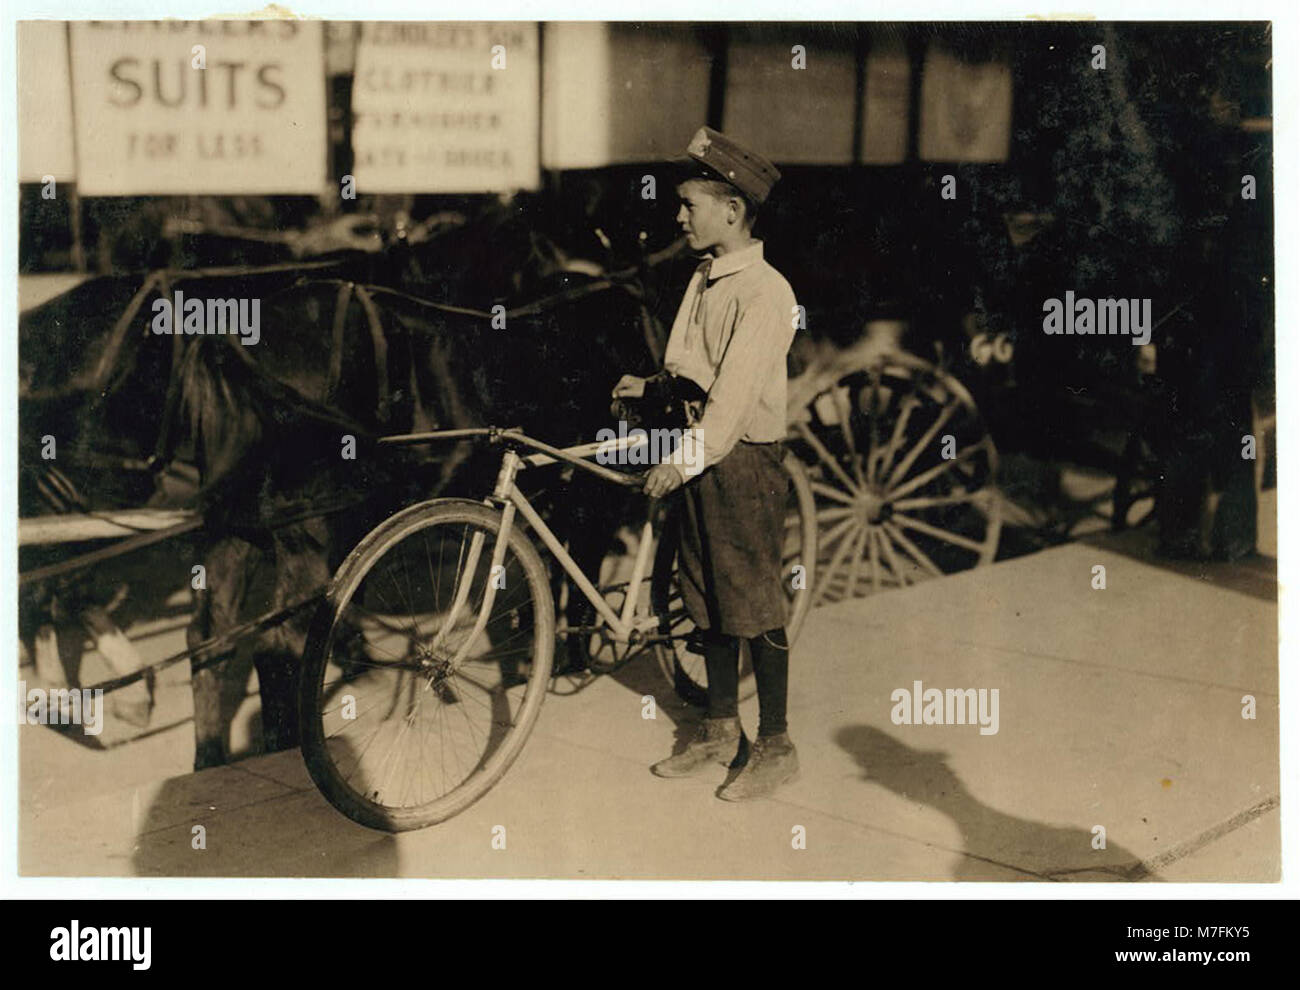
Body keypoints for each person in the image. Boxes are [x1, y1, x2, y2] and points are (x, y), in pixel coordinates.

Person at [612, 126, 799, 801]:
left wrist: (679, 463)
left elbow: (733, 400)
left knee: (751, 600)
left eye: (690, 203)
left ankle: (776, 744)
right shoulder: (705, 275)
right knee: (706, 599)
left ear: (732, 208)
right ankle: (721, 730)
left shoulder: (766, 293)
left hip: (739, 460)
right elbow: (692, 365)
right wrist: (653, 388)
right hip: (700, 454)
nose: (679, 215)